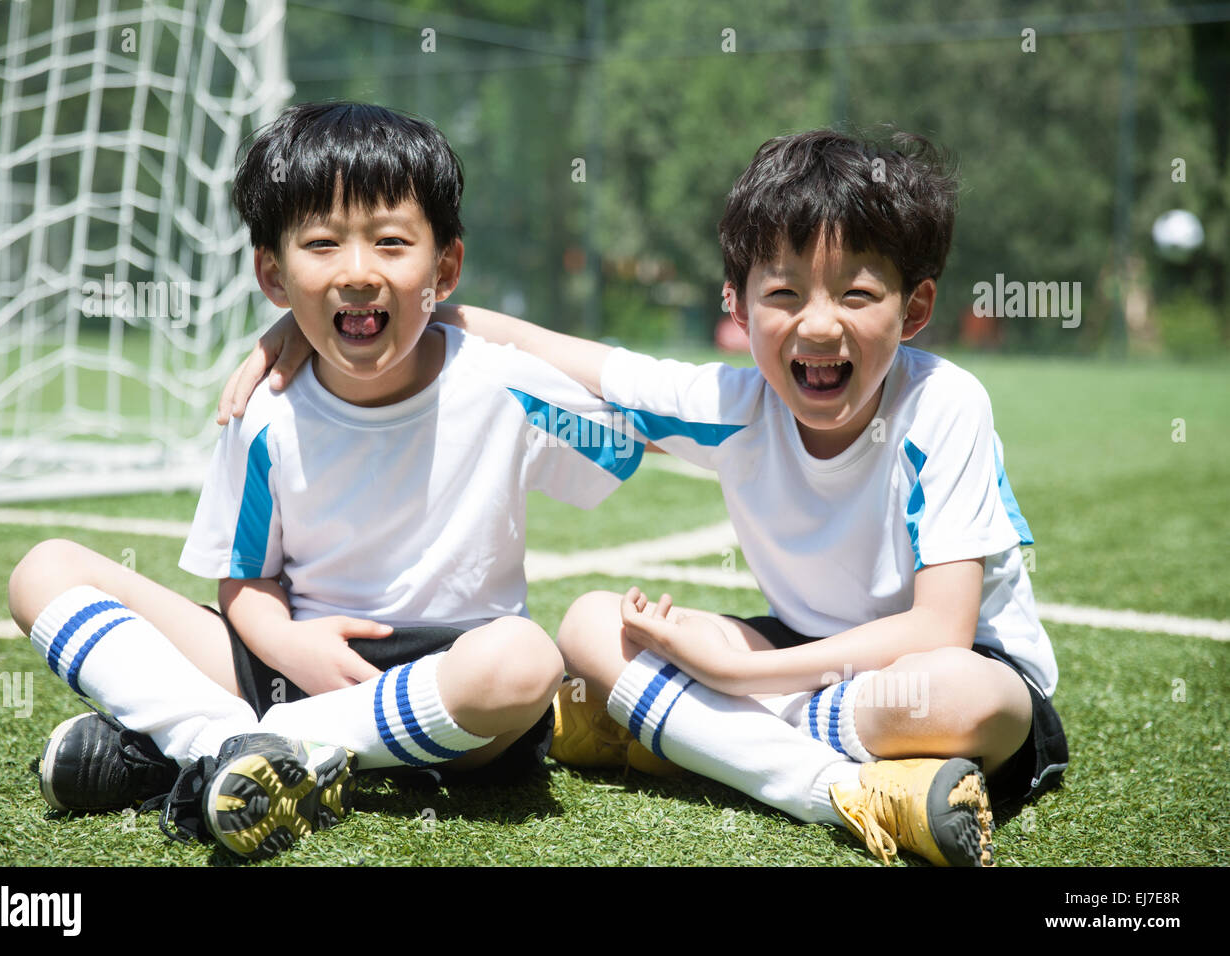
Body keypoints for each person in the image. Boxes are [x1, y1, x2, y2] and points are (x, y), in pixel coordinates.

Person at [229, 129, 1068, 867]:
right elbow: (555, 350)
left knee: (969, 698)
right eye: (783, 295)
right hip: (808, 666)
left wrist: (741, 671)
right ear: (736, 306)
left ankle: (689, 733)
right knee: (591, 623)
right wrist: (308, 325)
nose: (818, 326)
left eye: (856, 295)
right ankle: (817, 774)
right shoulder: (730, 406)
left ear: (913, 308)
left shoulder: (944, 402)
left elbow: (940, 630)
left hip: (929, 676)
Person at [7, 102, 645, 860]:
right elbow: (246, 583)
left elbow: (637, 428)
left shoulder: (502, 384)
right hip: (294, 664)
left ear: (444, 267)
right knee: (43, 571)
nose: (357, 272)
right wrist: (291, 646)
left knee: (527, 659)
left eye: (391, 243)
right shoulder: (264, 411)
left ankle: (224, 748)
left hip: (453, 687)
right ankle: (223, 747)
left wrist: (469, 323)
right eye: (321, 244)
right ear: (273, 274)